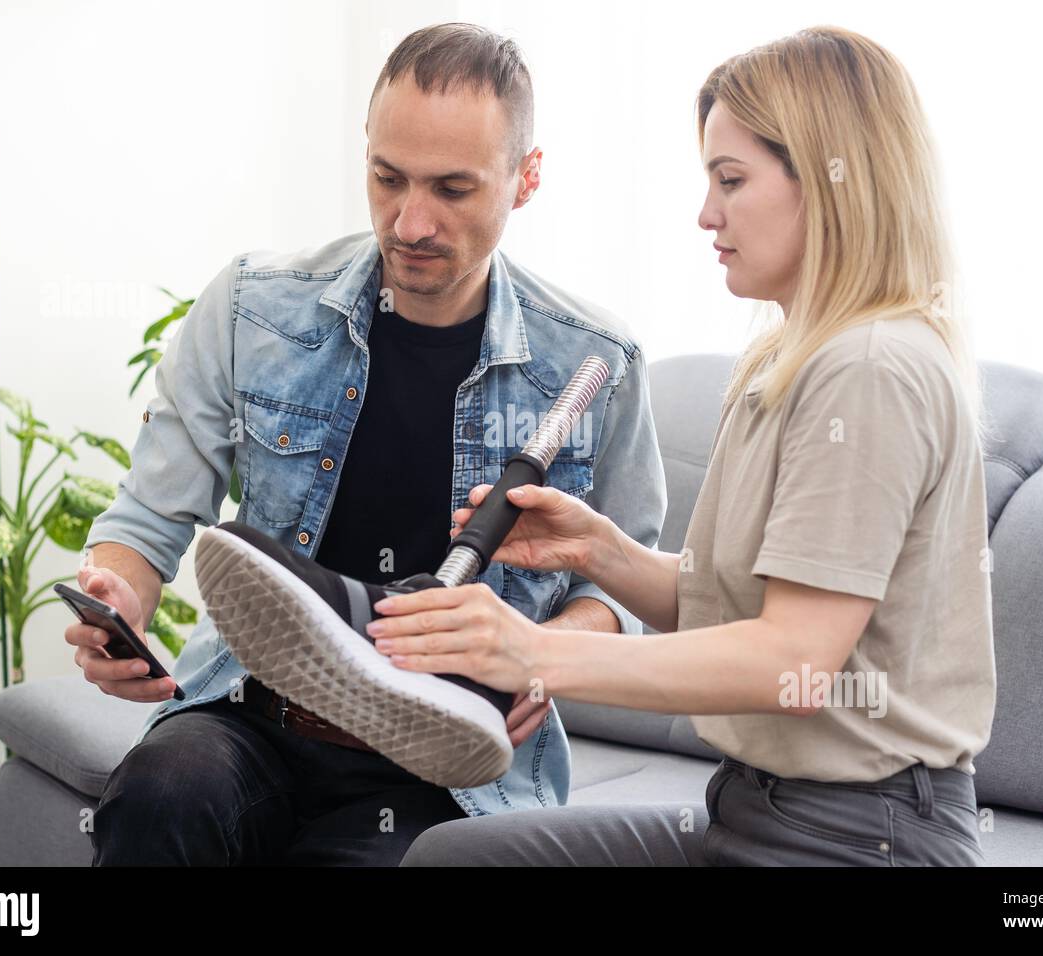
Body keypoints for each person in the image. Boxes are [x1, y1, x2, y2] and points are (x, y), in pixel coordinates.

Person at [385, 25, 995, 866]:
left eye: (731, 180)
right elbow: (736, 603)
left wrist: (534, 651)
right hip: (748, 809)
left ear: (828, 179)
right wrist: (598, 549)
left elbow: (794, 659)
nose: (706, 214)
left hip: (860, 839)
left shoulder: (872, 369)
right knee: (460, 857)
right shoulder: (791, 360)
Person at [68, 22, 666, 866]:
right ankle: (336, 618)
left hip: (448, 762)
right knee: (162, 792)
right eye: (388, 178)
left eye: (453, 189)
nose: (410, 221)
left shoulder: (596, 363)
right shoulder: (252, 308)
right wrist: (118, 600)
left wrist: (549, 656)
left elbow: (630, 582)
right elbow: (150, 514)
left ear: (525, 179)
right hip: (253, 710)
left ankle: (366, 626)